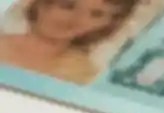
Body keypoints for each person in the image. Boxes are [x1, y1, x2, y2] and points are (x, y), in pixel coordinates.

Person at [0, 0, 140, 85]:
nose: (77, 20)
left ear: (109, 22)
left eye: (96, 14)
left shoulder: (86, 74)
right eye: (67, 5)